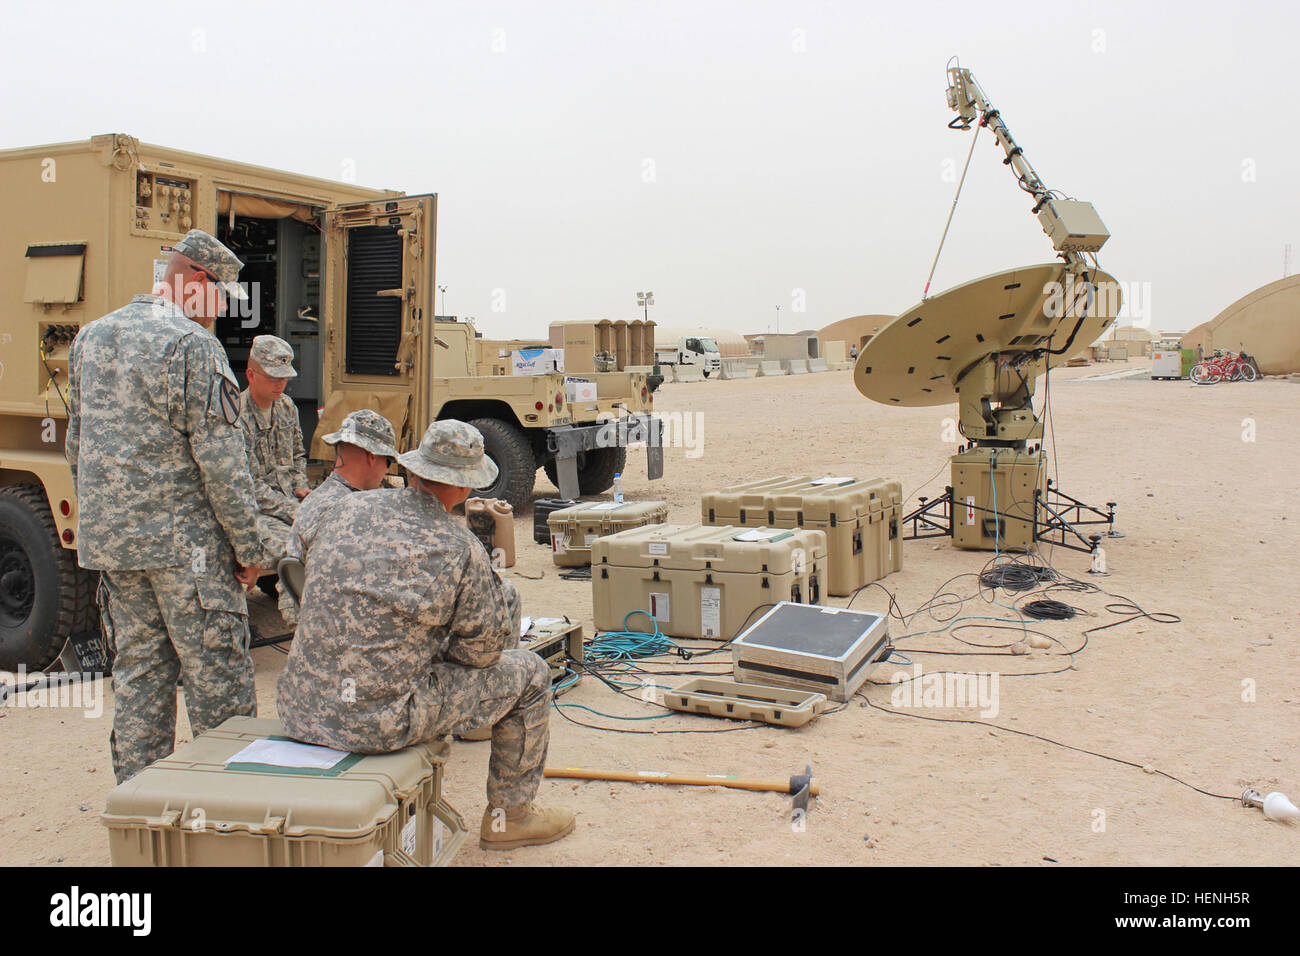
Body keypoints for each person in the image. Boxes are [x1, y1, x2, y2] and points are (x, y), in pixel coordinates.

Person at [276, 420, 573, 851]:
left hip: (300, 707)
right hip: (373, 723)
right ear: (466, 487)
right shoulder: (458, 546)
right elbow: (484, 652)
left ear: (414, 472)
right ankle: (511, 816)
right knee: (529, 674)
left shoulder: (344, 509)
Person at [66, 228, 265, 784]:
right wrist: (249, 548)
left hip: (118, 550)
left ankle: (140, 812)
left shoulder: (91, 337)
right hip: (188, 555)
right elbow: (223, 463)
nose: (222, 310)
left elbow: (77, 444)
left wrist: (107, 524)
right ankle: (230, 811)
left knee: (140, 678)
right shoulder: (191, 346)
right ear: (199, 282)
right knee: (217, 682)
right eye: (222, 296)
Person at [276, 408, 400, 625]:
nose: (385, 471)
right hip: (334, 631)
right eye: (388, 461)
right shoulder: (353, 512)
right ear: (373, 457)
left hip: (308, 623)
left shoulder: (316, 499)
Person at [238, 334, 309, 570]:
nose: (280, 384)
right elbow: (249, 485)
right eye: (273, 378)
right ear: (251, 375)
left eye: (284, 378)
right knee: (290, 551)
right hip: (257, 509)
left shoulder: (287, 406)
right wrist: (294, 512)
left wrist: (301, 485)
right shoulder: (237, 417)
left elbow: (298, 454)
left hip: (290, 499)